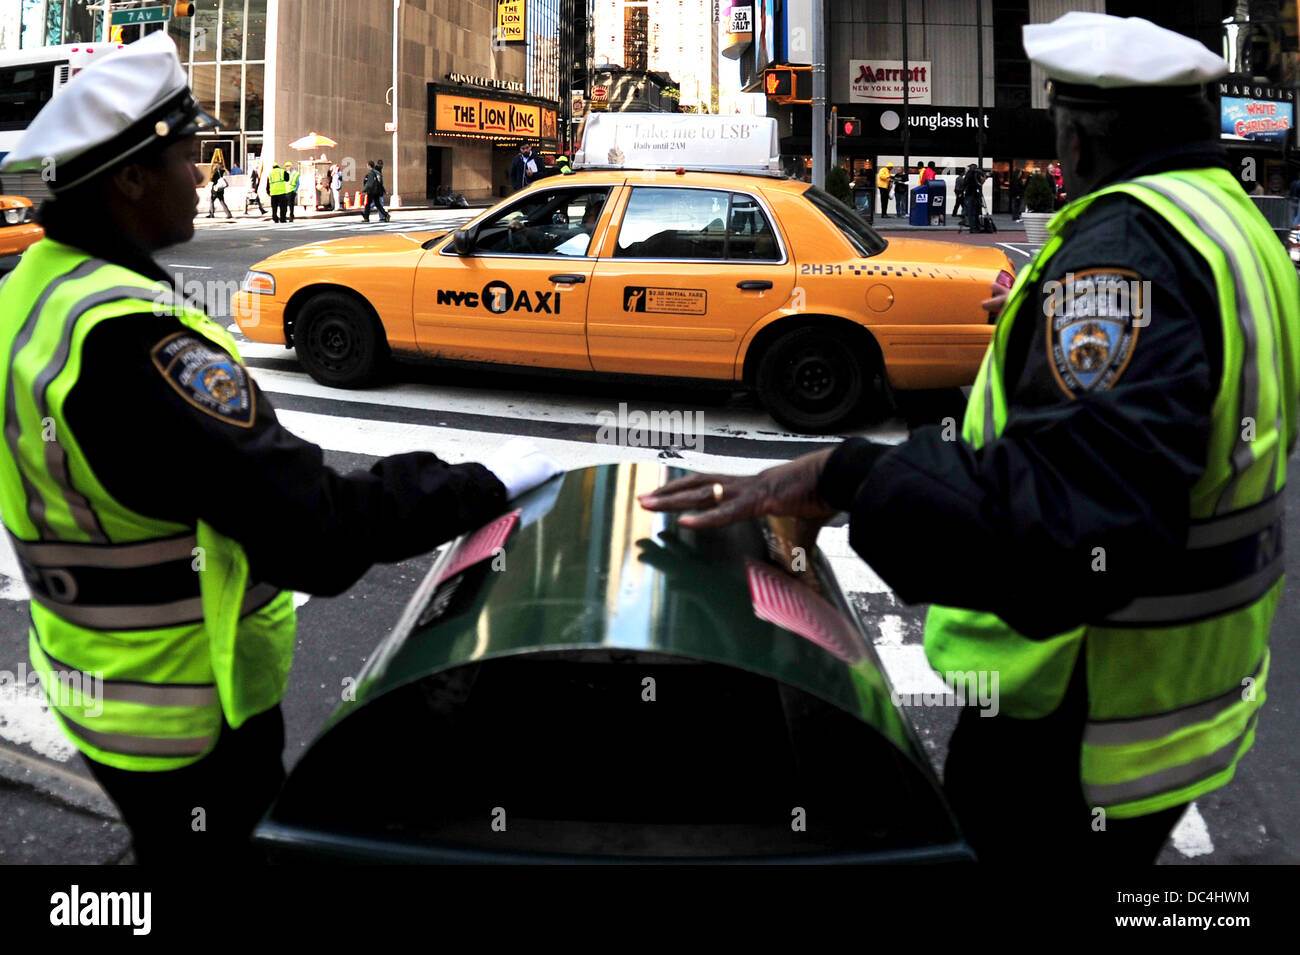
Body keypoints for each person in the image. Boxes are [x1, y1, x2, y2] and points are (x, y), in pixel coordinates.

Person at [639, 11, 1299, 865]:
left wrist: (853, 474)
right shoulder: (1231, 225)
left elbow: (1077, 522)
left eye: (1061, 127)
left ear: (1084, 133)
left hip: (1076, 723)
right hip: (1179, 701)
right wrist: (1039, 319)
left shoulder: (1127, 251)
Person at [0, 32, 565, 864]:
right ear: (128, 180)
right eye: (189, 159)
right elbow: (317, 531)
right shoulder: (133, 346)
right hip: (190, 721)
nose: (202, 178)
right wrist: (478, 483)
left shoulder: (27, 294)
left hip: (91, 690)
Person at [963, 163, 983, 232]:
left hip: (970, 194)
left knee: (971, 212)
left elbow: (964, 183)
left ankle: (973, 227)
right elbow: (980, 182)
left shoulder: (969, 175)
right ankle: (976, 226)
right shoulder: (976, 173)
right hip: (975, 195)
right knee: (975, 211)